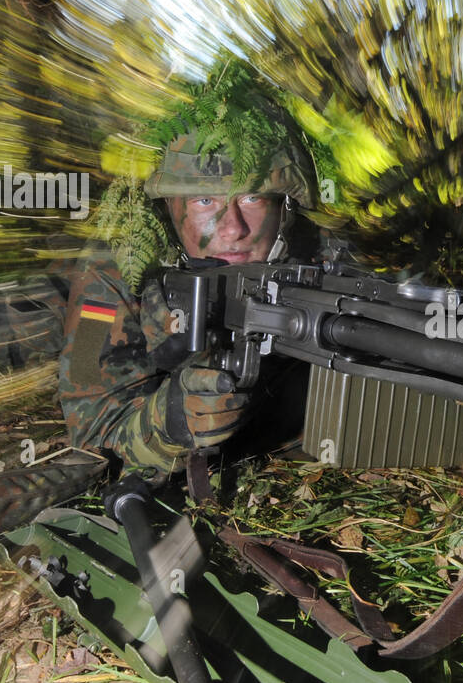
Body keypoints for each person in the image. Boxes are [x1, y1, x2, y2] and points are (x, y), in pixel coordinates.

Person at [57, 127, 318, 481]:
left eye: (252, 198)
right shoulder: (106, 272)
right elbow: (88, 427)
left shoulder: (319, 254)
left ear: (284, 207)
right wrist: (169, 425)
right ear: (169, 206)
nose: (232, 228)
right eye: (204, 201)